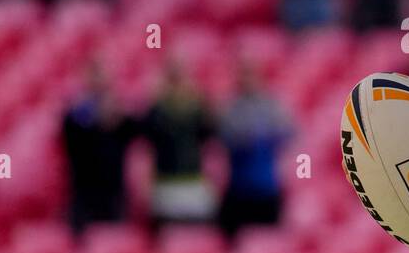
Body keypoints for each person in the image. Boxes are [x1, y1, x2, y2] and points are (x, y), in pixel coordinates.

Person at [217, 61, 294, 237]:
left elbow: (288, 133)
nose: (247, 79)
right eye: (244, 74)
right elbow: (230, 137)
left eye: (251, 74)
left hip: (267, 189)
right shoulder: (230, 108)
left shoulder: (272, 106)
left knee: (270, 246)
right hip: (239, 190)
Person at [61, 63, 137, 235]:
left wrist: (116, 114)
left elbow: (136, 129)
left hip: (113, 195)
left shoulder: (118, 113)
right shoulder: (76, 112)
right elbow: (68, 133)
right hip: (83, 195)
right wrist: (92, 115)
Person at [141, 61, 217, 231]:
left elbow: (210, 132)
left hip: (192, 183)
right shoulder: (156, 111)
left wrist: (200, 101)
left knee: (196, 239)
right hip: (165, 184)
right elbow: (147, 132)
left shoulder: (197, 110)